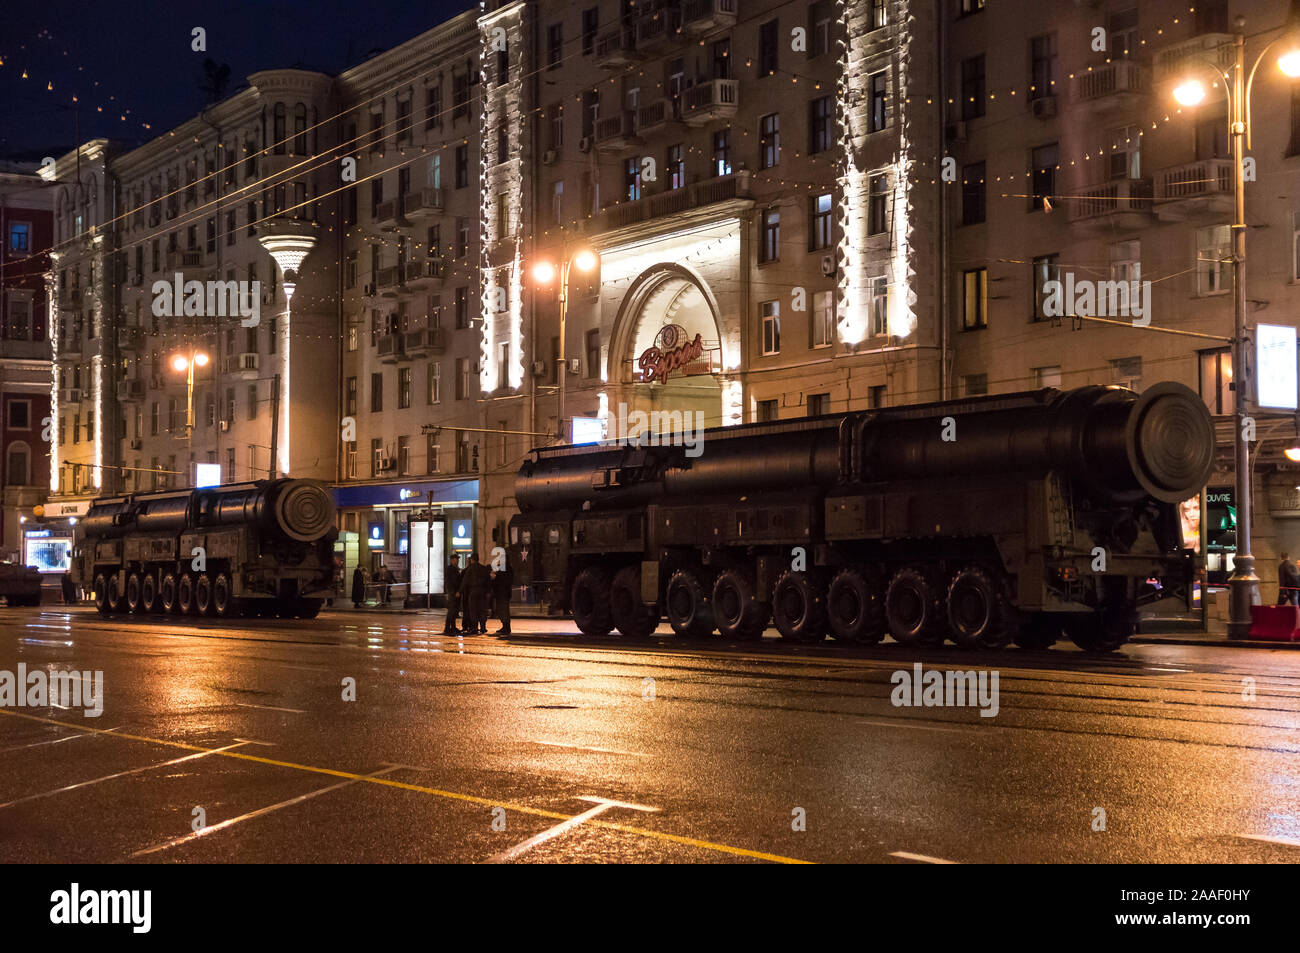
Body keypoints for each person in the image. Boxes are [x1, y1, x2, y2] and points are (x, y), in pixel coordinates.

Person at [459, 552, 491, 634]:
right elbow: (488, 581)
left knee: (473, 610)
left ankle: (474, 627)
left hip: (473, 591)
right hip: (482, 592)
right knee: (482, 610)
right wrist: (488, 591)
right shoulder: (484, 568)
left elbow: (465, 581)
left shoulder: (470, 569)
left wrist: (460, 591)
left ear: (472, 559)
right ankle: (483, 627)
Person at [490, 551, 513, 635]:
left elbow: (503, 580)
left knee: (503, 611)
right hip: (503, 593)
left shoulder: (505, 569)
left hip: (502, 593)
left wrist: (495, 577)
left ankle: (506, 627)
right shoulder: (506, 568)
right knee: (503, 611)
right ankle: (505, 627)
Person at [444, 557, 463, 633]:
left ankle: (453, 627)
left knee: (455, 610)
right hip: (453, 593)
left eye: (458, 560)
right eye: (456, 560)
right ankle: (447, 628)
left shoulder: (455, 569)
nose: (457, 561)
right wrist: (453, 592)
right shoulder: (450, 569)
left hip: (456, 592)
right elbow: (450, 582)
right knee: (452, 610)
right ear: (452, 560)